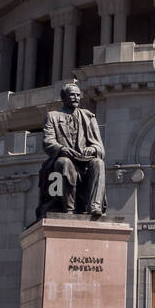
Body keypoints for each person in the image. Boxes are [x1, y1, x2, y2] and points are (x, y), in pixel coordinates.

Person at [37, 80, 106, 219]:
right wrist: (62, 149)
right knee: (64, 163)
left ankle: (94, 206)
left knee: (98, 163)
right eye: (72, 95)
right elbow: (48, 142)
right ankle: (69, 208)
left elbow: (100, 147)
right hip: (63, 159)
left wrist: (92, 149)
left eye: (78, 95)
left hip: (84, 161)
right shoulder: (53, 116)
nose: (76, 98)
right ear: (64, 98)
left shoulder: (88, 116)